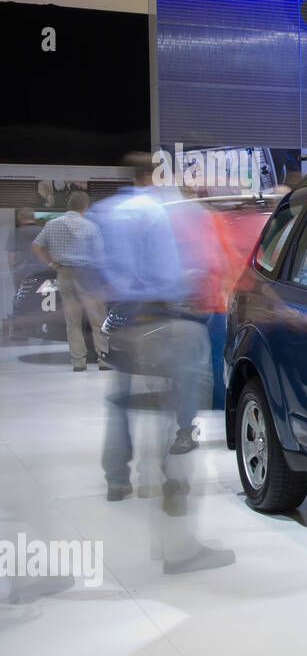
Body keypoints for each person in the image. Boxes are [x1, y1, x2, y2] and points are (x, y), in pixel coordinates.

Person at [92, 152, 233, 573]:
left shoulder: (106, 211)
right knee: (179, 427)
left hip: (123, 322)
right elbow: (201, 269)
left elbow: (96, 273)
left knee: (120, 402)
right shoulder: (174, 211)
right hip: (170, 322)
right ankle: (180, 548)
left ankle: (117, 479)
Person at [30, 191, 109, 371]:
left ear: (69, 205)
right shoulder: (91, 226)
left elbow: (36, 246)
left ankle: (78, 362)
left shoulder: (52, 224)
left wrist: (51, 263)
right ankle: (103, 360)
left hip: (64, 273)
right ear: (85, 206)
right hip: (88, 274)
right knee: (97, 319)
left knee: (72, 320)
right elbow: (100, 256)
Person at [7, 207, 43, 286]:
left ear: (20, 218)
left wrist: (13, 272)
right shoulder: (43, 231)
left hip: (21, 272)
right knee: (40, 296)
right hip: (42, 272)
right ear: (33, 217)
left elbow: (11, 256)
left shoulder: (15, 233)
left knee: (22, 296)